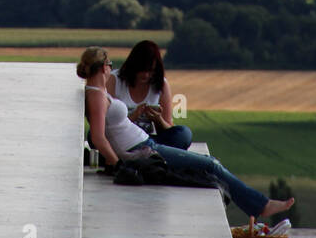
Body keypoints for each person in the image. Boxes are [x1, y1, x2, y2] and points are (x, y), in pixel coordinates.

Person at [79, 46, 294, 221]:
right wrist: (119, 166)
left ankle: (259, 205)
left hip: (142, 143)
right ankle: (261, 206)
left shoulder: (99, 92)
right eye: (109, 65)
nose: (111, 68)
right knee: (210, 164)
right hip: (142, 148)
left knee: (206, 164)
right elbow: (98, 136)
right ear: (103, 67)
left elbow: (110, 129)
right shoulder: (97, 95)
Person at [108, 39, 192, 150]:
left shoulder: (161, 84)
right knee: (95, 135)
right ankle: (153, 151)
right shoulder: (115, 80)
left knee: (183, 133)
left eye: (151, 71)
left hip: (148, 139)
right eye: (142, 70)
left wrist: (158, 119)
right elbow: (108, 124)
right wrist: (134, 116)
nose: (146, 75)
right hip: (122, 139)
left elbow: (168, 126)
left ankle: (149, 149)